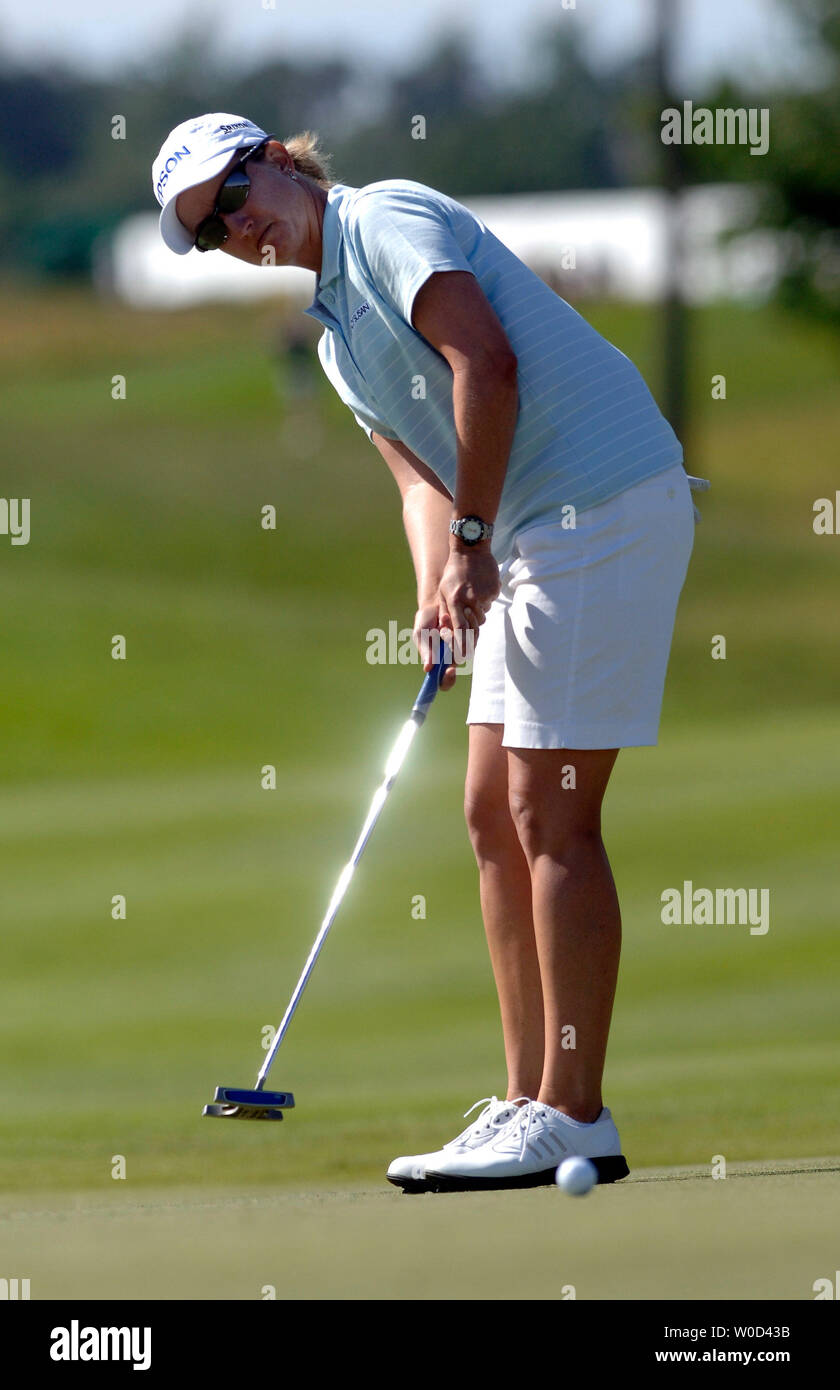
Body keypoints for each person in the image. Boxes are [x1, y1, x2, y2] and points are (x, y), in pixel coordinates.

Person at [152, 113, 706, 1193]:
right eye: (211, 235)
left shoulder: (384, 216)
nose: (236, 231)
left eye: (229, 200)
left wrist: (469, 544)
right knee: (490, 812)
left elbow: (484, 365)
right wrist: (437, 586)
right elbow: (422, 480)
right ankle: (526, 1104)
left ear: (273, 159)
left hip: (599, 503)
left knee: (550, 812)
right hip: (528, 529)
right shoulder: (332, 337)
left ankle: (572, 1108)